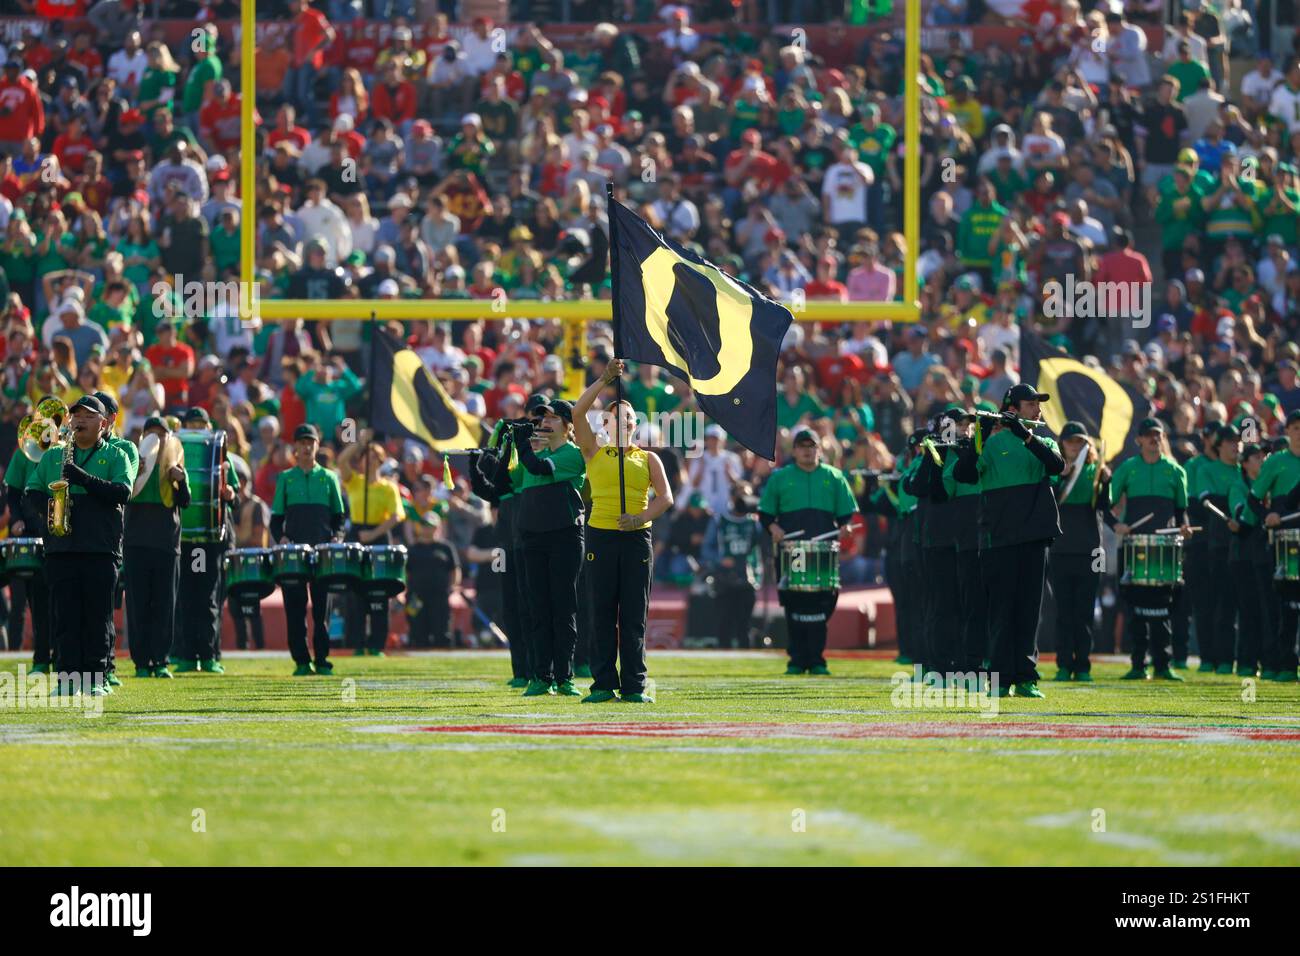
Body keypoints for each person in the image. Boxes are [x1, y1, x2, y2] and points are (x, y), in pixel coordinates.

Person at [570, 358, 674, 703]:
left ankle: (633, 685)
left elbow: (666, 498)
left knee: (633, 615)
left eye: (630, 418)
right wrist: (603, 379)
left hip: (636, 539)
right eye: (619, 416)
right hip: (600, 536)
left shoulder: (648, 459)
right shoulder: (593, 451)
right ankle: (602, 684)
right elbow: (577, 412)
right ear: (607, 422)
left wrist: (640, 516)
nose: (626, 422)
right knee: (600, 612)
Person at [952, 384, 1066, 698]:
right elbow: (964, 474)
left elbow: (1058, 466)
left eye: (1038, 405)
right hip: (997, 538)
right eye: (1031, 404)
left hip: (1035, 536)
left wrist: (1025, 435)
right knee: (1001, 611)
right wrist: (980, 438)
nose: (1038, 410)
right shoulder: (989, 443)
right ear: (1012, 409)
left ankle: (1026, 677)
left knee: (1030, 610)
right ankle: (1000, 680)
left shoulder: (1040, 440)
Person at [28, 395, 131, 697]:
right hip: (62, 548)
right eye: (76, 416)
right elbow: (31, 491)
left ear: (103, 423)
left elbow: (122, 493)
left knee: (98, 617)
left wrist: (82, 479)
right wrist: (50, 507)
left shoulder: (115, 456)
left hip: (101, 549)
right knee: (65, 616)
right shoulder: (53, 457)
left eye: (88, 416)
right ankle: (67, 679)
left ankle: (96, 678)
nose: (80, 421)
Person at [758, 427, 857, 676]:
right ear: (794, 450)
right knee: (794, 604)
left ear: (819, 448)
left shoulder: (834, 477)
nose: (806, 450)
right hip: (792, 551)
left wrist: (845, 527)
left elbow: (846, 514)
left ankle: (817, 658)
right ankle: (797, 659)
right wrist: (773, 528)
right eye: (802, 446)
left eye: (811, 445)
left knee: (822, 605)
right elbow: (766, 513)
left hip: (824, 551)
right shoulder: (780, 477)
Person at [513, 398, 586, 697]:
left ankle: (564, 676)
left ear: (569, 425)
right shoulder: (533, 454)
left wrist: (521, 444)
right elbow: (506, 482)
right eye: (543, 418)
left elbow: (539, 468)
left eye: (553, 418)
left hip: (564, 537)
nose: (545, 422)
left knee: (563, 608)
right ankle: (541, 676)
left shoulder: (573, 454)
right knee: (538, 609)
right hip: (533, 536)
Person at [1109, 417, 1192, 681]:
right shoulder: (1128, 468)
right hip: (1136, 547)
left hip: (1165, 549)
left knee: (1163, 610)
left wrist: (1185, 528)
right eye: (1149, 435)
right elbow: (1106, 502)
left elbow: (1181, 512)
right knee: (1136, 609)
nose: (1154, 439)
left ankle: (1163, 664)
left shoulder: (1176, 471)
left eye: (1159, 435)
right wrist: (1116, 525)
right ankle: (1137, 664)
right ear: (1139, 440)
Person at [271, 424, 346, 676]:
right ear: (295, 446)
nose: (306, 447)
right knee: (295, 608)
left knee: (322, 609)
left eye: (310, 442)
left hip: (322, 552)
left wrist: (337, 537)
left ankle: (323, 659)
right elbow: (275, 520)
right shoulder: (285, 478)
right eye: (301, 442)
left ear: (317, 445)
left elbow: (339, 517)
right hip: (294, 553)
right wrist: (281, 539)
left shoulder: (329, 477)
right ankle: (301, 661)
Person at [171, 406, 237, 674]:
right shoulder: (174, 456)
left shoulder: (220, 458)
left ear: (209, 428)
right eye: (192, 424)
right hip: (185, 538)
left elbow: (235, 496)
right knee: (185, 596)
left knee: (210, 597)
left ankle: (209, 655)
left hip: (211, 539)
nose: (197, 429)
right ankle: (187, 655)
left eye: (201, 424)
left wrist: (231, 494)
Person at [123, 416, 190, 678]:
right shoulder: (132, 463)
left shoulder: (175, 463)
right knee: (138, 605)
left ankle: (161, 660)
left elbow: (185, 502)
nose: (158, 439)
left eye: (162, 435)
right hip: (136, 543)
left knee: (165, 604)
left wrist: (181, 480)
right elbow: (122, 496)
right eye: (153, 434)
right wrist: (134, 472)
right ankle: (141, 662)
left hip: (166, 544)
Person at [1048, 422, 1112, 682]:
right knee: (1063, 612)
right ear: (1062, 443)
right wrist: (1063, 474)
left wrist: (1106, 483)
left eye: (1080, 442)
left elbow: (1104, 508)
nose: (1075, 446)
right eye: (1070, 441)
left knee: (1085, 612)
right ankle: (1064, 664)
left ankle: (1083, 665)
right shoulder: (1053, 472)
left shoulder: (1097, 472)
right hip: (1060, 549)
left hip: (1090, 551)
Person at [338, 432, 405, 656]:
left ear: (380, 460)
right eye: (365, 457)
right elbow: (341, 461)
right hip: (357, 534)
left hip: (377, 536)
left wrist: (375, 533)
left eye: (373, 457)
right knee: (355, 592)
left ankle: (377, 644)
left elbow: (396, 516)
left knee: (379, 591)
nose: (368, 461)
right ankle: (356, 642)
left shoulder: (388, 487)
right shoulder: (354, 482)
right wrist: (360, 443)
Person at [4, 396, 58, 674]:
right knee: (37, 599)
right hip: (33, 530)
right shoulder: (24, 451)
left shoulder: (67, 449)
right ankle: (40, 659)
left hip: (61, 531)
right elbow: (13, 492)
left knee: (62, 598)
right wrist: (16, 519)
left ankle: (62, 656)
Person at [1249, 408, 1300, 683]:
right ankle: (1283, 663)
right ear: (1287, 431)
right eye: (1295, 428)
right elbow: (1254, 499)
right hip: (1286, 543)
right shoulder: (1276, 462)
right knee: (1286, 606)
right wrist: (1267, 517)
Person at [94, 390, 138, 687]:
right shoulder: (74, 446)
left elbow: (125, 488)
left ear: (110, 418)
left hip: (112, 534)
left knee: (107, 605)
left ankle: (107, 666)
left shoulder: (125, 449)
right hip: (80, 533)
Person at [1193, 423, 1242, 674]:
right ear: (1219, 445)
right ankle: (1213, 657)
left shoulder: (1244, 471)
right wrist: (1229, 519)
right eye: (1230, 441)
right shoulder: (1207, 469)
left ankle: (1237, 658)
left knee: (1239, 603)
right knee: (1216, 603)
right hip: (1218, 544)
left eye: (1238, 441)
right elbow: (1205, 501)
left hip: (1243, 543)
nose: (1236, 445)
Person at [1227, 442, 1273, 680]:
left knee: (1269, 609)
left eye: (1264, 456)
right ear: (1244, 464)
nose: (1262, 460)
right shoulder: (1238, 485)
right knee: (1249, 610)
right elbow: (1240, 516)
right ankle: (1246, 661)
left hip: (1265, 553)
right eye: (1256, 457)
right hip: (1243, 556)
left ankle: (1269, 661)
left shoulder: (1270, 484)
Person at [703, 481, 763, 650]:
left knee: (744, 624)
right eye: (740, 495)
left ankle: (746, 664)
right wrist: (719, 559)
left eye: (747, 495)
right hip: (724, 578)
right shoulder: (719, 520)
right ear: (732, 497)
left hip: (747, 577)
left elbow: (763, 546)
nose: (744, 499)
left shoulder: (754, 522)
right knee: (724, 623)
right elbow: (707, 548)